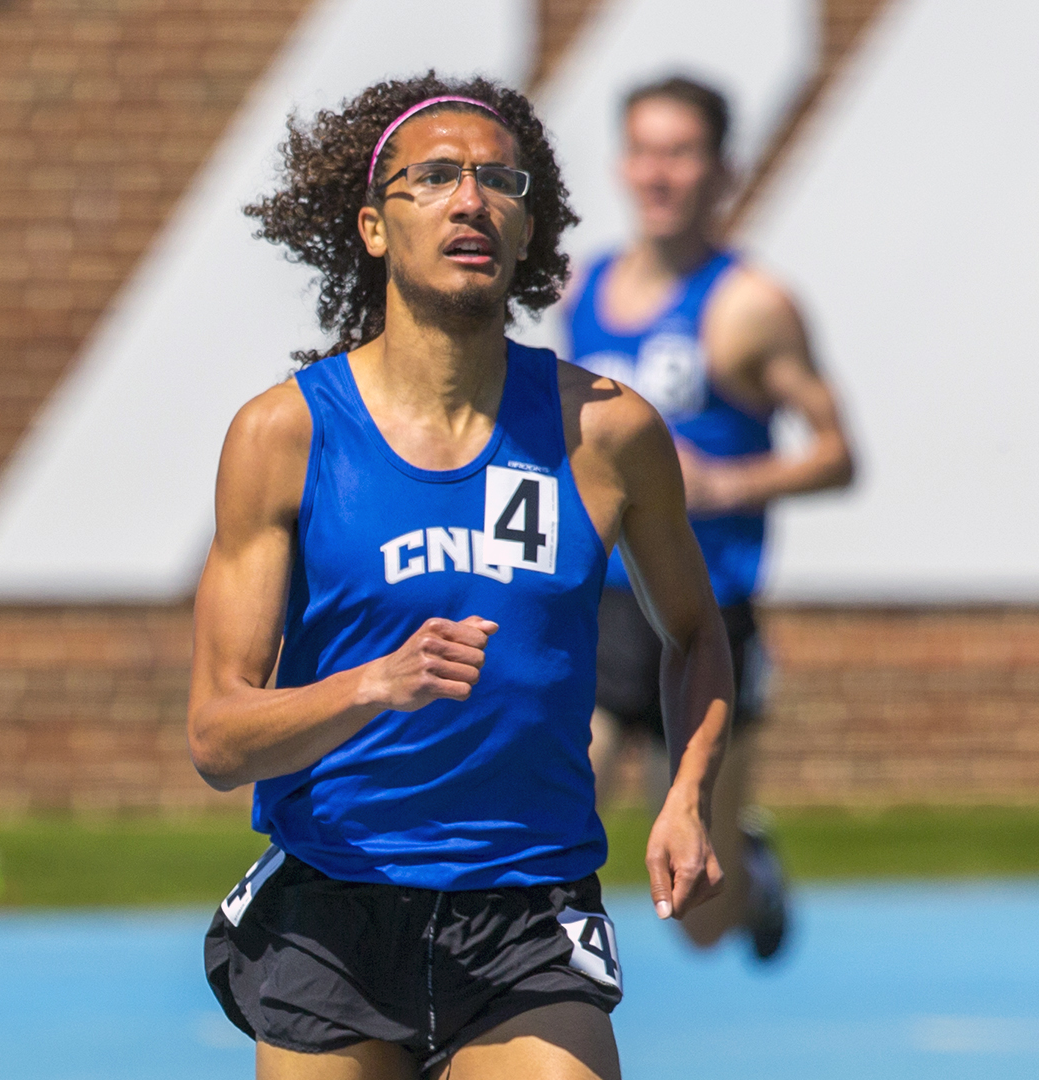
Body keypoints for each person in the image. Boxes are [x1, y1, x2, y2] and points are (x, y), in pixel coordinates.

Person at [191, 73, 736, 1080]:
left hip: (527, 914)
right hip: (332, 907)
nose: (470, 199)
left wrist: (687, 794)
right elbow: (219, 739)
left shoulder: (607, 432)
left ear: (529, 230)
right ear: (371, 226)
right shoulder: (286, 436)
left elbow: (697, 634)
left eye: (498, 179)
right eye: (433, 177)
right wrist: (371, 686)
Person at [566, 76, 855, 960]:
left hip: (704, 616)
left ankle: (753, 871)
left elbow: (838, 453)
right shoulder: (586, 288)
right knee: (552, 799)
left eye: (681, 153)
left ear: (721, 171)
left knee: (699, 918)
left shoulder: (750, 306)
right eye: (645, 150)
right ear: (623, 163)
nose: (660, 173)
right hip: (607, 601)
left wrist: (723, 484)